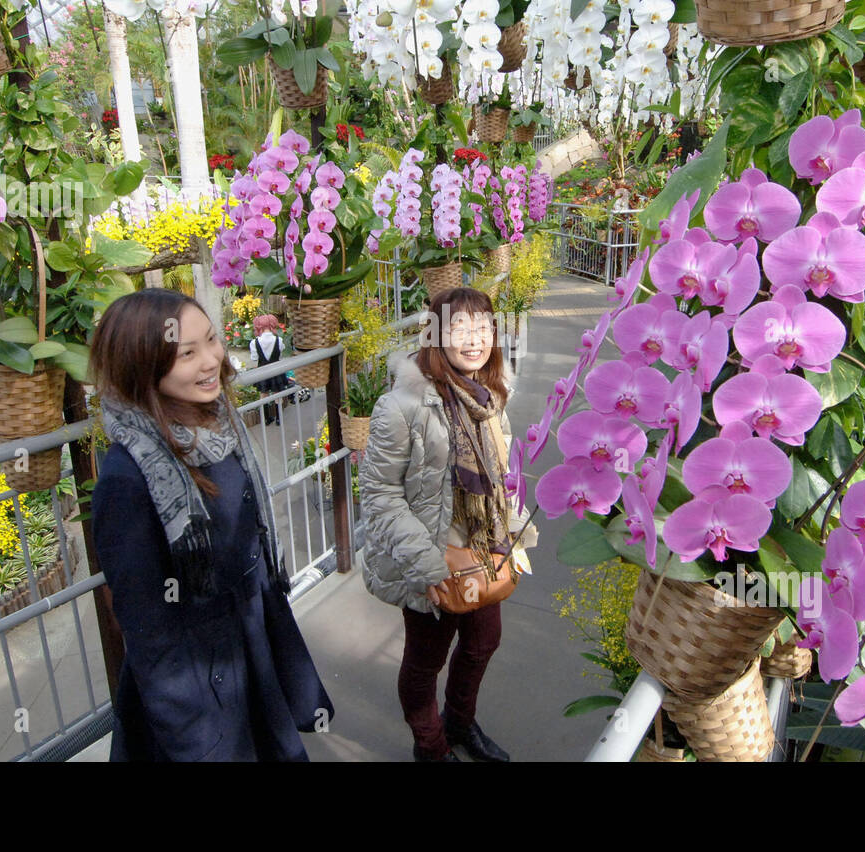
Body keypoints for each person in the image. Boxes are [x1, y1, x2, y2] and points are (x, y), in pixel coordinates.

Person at [89, 288, 332, 761]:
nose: (211, 361)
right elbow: (150, 637)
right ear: (141, 363)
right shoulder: (128, 479)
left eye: (212, 341)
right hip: (200, 687)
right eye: (187, 353)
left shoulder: (218, 425)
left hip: (249, 645)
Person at [358, 287, 536, 762]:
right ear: (437, 335)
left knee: (483, 644)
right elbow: (379, 494)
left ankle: (459, 723)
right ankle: (431, 747)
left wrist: (513, 534)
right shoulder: (402, 406)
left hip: (483, 551)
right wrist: (427, 563)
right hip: (431, 557)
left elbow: (500, 476)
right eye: (460, 328)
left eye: (483, 327)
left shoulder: (491, 396)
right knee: (425, 661)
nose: (474, 339)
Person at [249, 314, 291, 425]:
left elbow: (254, 358)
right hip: (276, 371)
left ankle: (267, 419)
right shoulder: (279, 340)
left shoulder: (254, 343)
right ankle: (278, 419)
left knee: (263, 394)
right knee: (278, 394)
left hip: (262, 372)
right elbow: (280, 354)